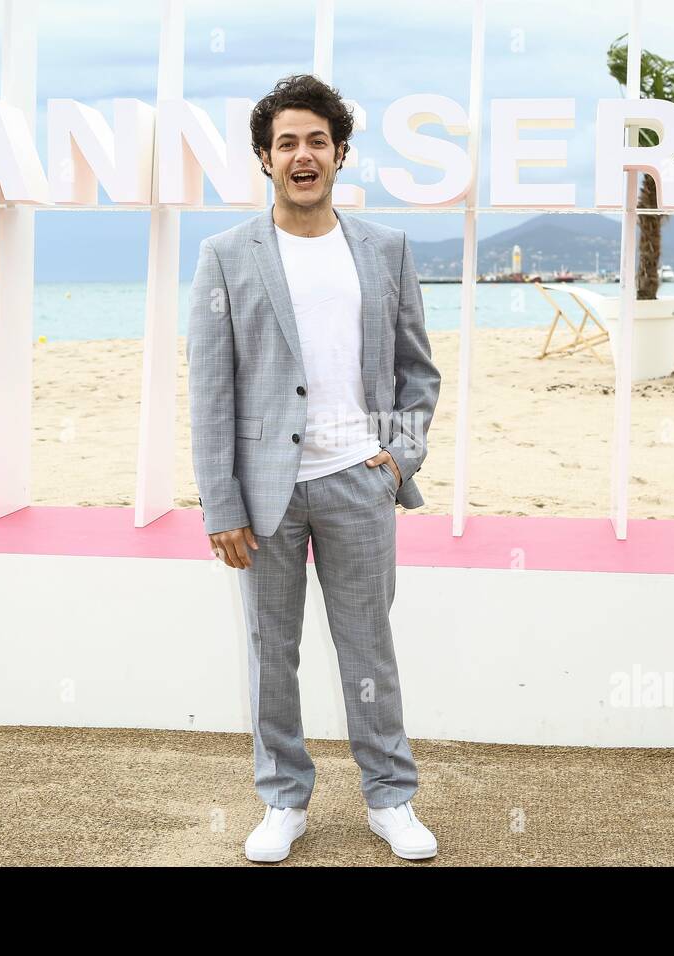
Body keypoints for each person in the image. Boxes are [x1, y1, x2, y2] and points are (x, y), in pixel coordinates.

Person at [186, 74, 442, 862]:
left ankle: (390, 798)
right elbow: (209, 388)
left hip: (357, 482)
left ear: (340, 153)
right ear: (264, 159)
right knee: (272, 650)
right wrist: (220, 506)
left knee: (369, 648)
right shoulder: (226, 257)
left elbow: (415, 371)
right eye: (287, 143)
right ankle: (283, 799)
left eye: (317, 141)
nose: (304, 155)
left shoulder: (385, 249)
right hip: (264, 496)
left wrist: (396, 461)